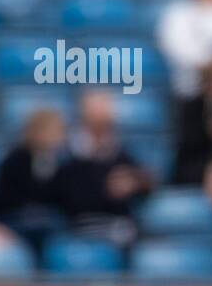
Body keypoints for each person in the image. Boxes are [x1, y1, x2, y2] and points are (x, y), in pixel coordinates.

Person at [54, 89, 154, 246]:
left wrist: (135, 182)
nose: (101, 114)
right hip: (79, 224)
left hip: (119, 224)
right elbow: (62, 193)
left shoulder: (121, 150)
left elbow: (146, 184)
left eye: (105, 107)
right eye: (95, 108)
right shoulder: (67, 152)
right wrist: (106, 189)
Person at [0, 107, 68, 255]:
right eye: (50, 130)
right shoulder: (13, 162)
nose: (56, 136)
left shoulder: (64, 164)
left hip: (50, 222)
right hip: (16, 220)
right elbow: (3, 202)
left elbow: (65, 202)